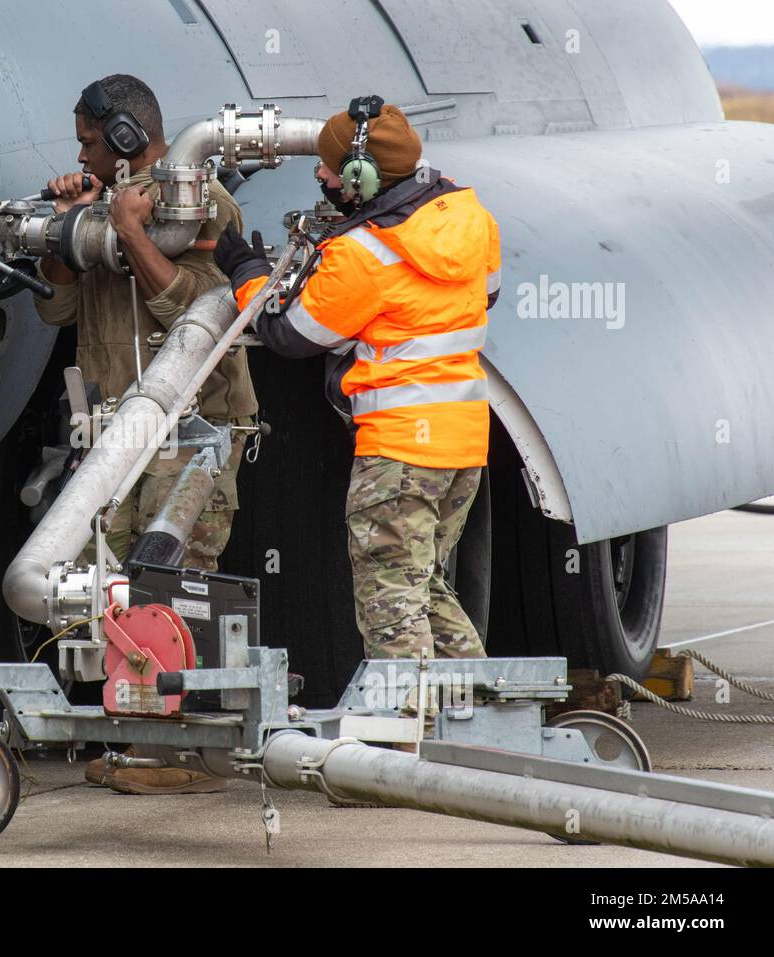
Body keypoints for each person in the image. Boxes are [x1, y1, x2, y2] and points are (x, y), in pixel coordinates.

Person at [215, 96, 500, 667]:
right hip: (463, 444)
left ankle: (405, 740)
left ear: (357, 176)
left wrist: (244, 271)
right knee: (421, 586)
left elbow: (289, 333)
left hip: (399, 454)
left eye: (326, 167)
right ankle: (485, 710)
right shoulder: (469, 219)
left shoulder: (365, 253)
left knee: (389, 606)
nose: (319, 175)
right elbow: (483, 293)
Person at [36, 74, 257, 795]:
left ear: (130, 137)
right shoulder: (105, 203)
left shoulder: (200, 205)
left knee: (172, 584)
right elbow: (58, 311)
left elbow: (195, 311)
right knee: (118, 590)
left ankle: (185, 753)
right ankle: (143, 741)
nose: (82, 151)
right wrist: (70, 225)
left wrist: (131, 230)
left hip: (189, 432)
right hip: (116, 434)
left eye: (92, 141)